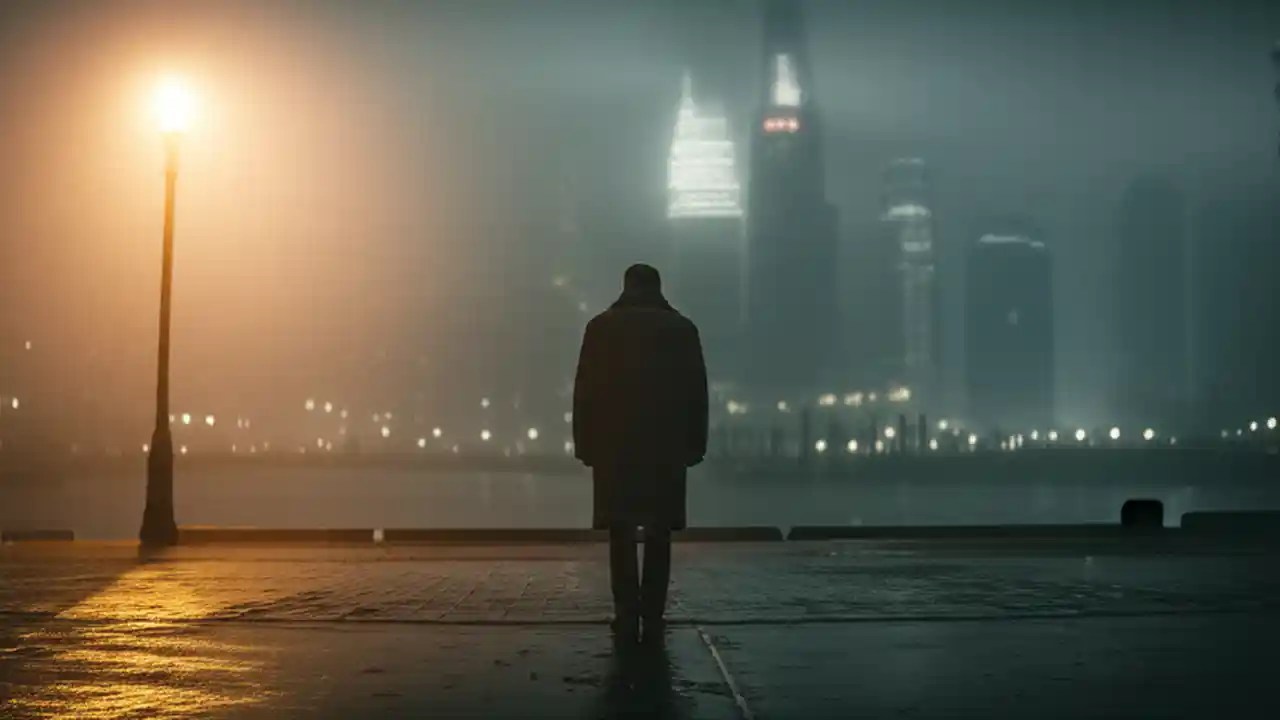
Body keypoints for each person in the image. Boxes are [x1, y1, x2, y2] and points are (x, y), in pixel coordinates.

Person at [572, 263, 708, 643]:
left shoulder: (600, 329)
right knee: (659, 531)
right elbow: (697, 394)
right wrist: (696, 443)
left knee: (620, 530)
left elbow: (585, 392)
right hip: (665, 446)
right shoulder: (682, 330)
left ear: (626, 286)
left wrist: (584, 442)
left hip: (615, 446)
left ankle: (625, 609)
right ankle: (653, 610)